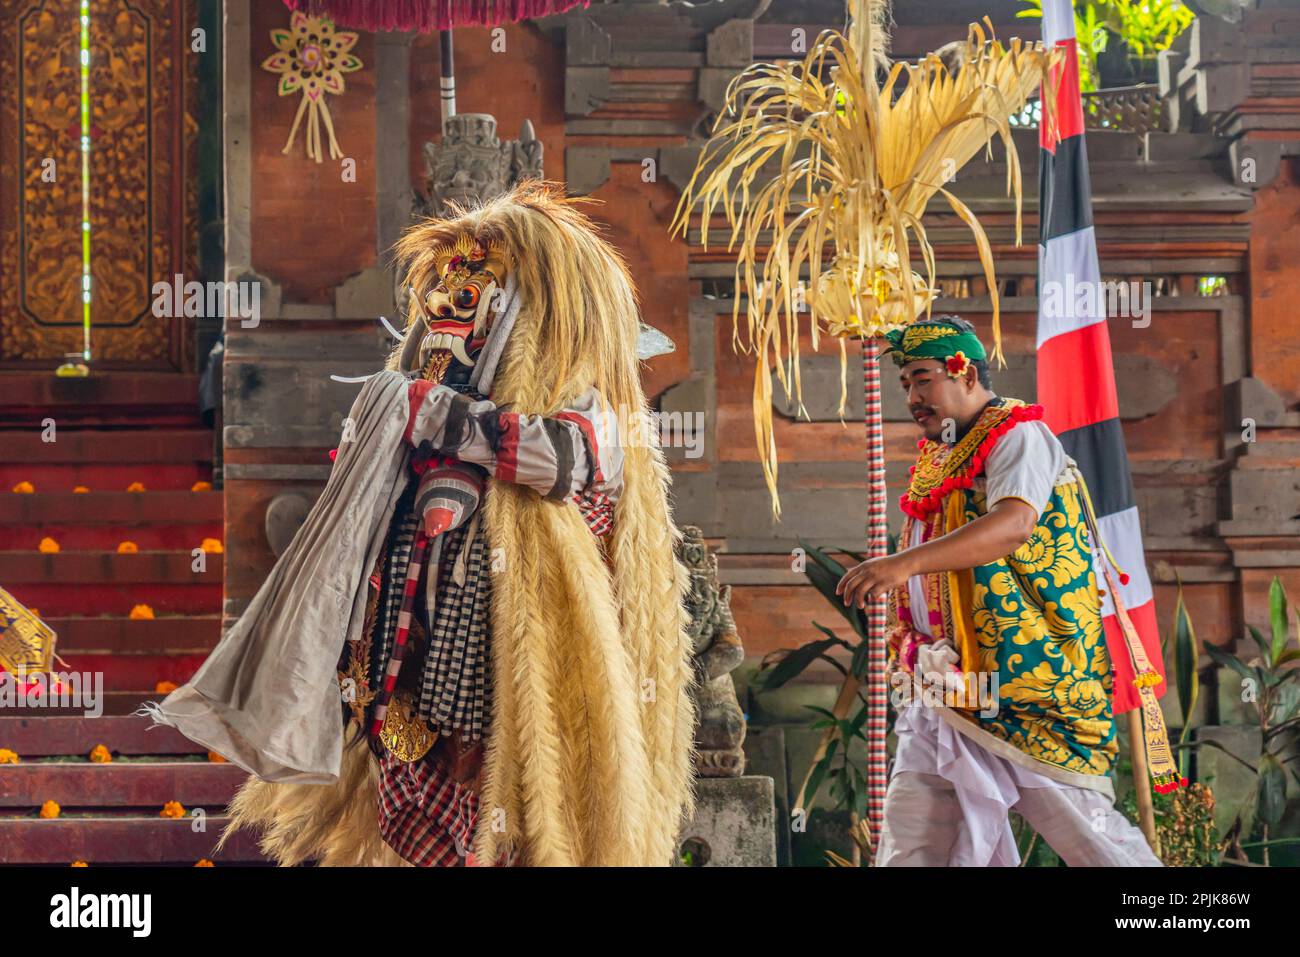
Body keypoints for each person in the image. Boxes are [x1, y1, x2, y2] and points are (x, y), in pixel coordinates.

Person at [145, 182, 696, 866]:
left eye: (473, 294)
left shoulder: (585, 411)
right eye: (444, 287)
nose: (445, 306)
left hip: (510, 700)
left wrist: (434, 415)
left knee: (510, 836)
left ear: (536, 315)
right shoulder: (410, 407)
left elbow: (562, 457)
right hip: (403, 685)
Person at [836, 316, 1161, 866]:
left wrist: (901, 565)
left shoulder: (1018, 433)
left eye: (922, 379)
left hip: (1016, 680)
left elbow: (1014, 524)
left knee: (1092, 838)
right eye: (906, 386)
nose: (913, 397)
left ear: (963, 371)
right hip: (942, 679)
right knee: (916, 832)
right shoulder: (941, 453)